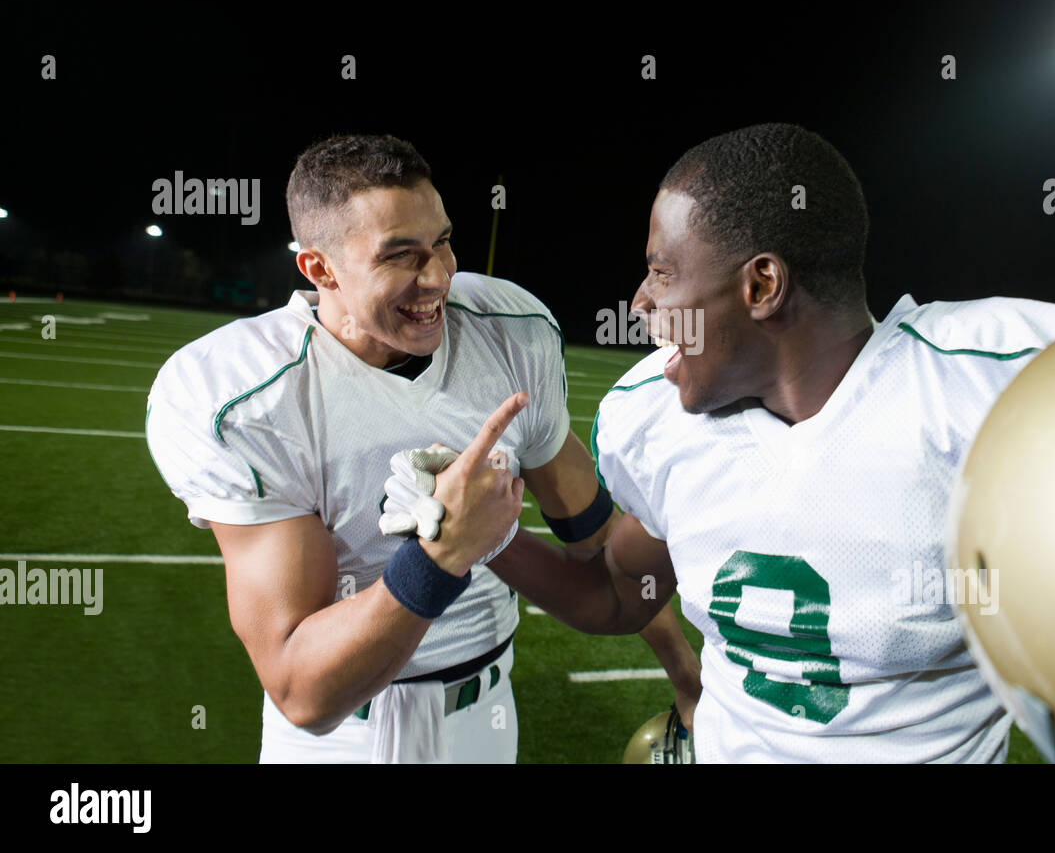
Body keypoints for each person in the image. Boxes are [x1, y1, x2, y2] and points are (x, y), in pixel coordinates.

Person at [473, 122, 1055, 762]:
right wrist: (488, 538)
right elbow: (617, 592)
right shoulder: (656, 422)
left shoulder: (981, 389)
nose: (639, 303)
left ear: (761, 286)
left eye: (661, 273)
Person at [145, 134, 699, 763]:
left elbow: (605, 564)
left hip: (488, 713)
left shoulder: (508, 333)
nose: (437, 276)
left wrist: (687, 675)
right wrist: (441, 556)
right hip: (345, 737)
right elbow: (303, 690)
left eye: (441, 242)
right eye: (401, 255)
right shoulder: (248, 397)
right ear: (321, 269)